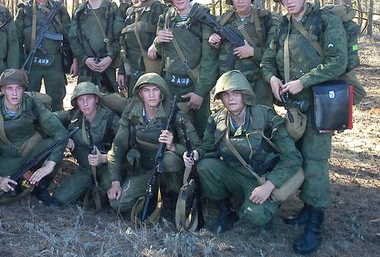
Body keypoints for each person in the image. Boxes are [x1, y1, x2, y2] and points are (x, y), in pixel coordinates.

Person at [261, 0, 347, 255]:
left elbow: (338, 62)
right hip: (294, 108)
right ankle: (307, 208)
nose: (289, 1)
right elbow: (267, 60)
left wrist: (303, 82)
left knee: (316, 162)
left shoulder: (325, 21)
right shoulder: (282, 26)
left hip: (321, 105)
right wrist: (272, 79)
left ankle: (315, 225)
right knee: (297, 157)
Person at [183, 70, 302, 233]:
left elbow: (293, 158)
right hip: (234, 172)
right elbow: (207, 147)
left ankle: (261, 206)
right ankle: (226, 211)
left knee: (255, 215)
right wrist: (196, 154)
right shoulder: (218, 120)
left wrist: (269, 186)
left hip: (262, 178)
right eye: (226, 94)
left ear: (245, 95)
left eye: (236, 93)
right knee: (204, 166)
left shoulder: (266, 117)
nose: (231, 98)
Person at [107, 73, 199, 217]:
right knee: (117, 203)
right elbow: (116, 149)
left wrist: (173, 146)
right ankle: (151, 198)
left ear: (161, 93)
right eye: (146, 90)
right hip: (145, 169)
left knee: (168, 160)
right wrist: (115, 182)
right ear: (140, 94)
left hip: (172, 172)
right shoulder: (132, 112)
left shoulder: (174, 113)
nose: (151, 95)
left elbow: (195, 148)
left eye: (155, 90)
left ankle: (172, 198)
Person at [0, 68, 68, 205]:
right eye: (10, 88)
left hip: (32, 149)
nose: (14, 93)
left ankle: (41, 187)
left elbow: (60, 133)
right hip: (7, 157)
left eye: (18, 88)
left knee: (54, 145)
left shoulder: (32, 103)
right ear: (2, 90)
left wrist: (49, 165)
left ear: (24, 89)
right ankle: (18, 181)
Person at [150, 0, 217, 136]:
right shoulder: (166, 18)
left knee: (201, 128)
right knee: (171, 127)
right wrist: (157, 41)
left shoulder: (202, 18)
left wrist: (200, 92)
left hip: (194, 83)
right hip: (170, 84)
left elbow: (209, 60)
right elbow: (160, 53)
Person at [208, 0, 277, 107]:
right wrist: (215, 42)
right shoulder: (224, 20)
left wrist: (253, 52)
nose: (240, 1)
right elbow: (215, 52)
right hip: (231, 84)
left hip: (258, 83)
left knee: (262, 115)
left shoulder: (265, 19)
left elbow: (275, 53)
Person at [52, 82, 121, 206]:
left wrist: (104, 158)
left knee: (113, 200)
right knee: (60, 198)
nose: (85, 104)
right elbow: (49, 120)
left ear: (96, 100)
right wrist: (64, 137)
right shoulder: (74, 116)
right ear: (76, 103)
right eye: (81, 100)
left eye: (89, 99)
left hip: (108, 168)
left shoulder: (111, 119)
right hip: (86, 170)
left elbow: (125, 147)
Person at [15, 0, 71, 110]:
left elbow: (69, 36)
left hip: (54, 62)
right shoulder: (24, 10)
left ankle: (57, 121)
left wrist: (73, 59)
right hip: (32, 62)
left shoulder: (59, 10)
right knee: (28, 99)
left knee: (56, 98)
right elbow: (16, 40)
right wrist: (18, 66)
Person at [68, 0, 123, 93]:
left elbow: (119, 37)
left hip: (107, 66)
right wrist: (84, 59)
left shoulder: (112, 9)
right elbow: (73, 38)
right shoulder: (79, 11)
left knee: (110, 100)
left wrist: (110, 57)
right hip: (86, 67)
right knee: (84, 98)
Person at [118, 0, 167, 96]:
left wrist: (156, 45)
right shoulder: (130, 13)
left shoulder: (160, 10)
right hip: (133, 71)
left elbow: (168, 37)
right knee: (134, 102)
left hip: (154, 69)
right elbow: (123, 45)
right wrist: (122, 71)